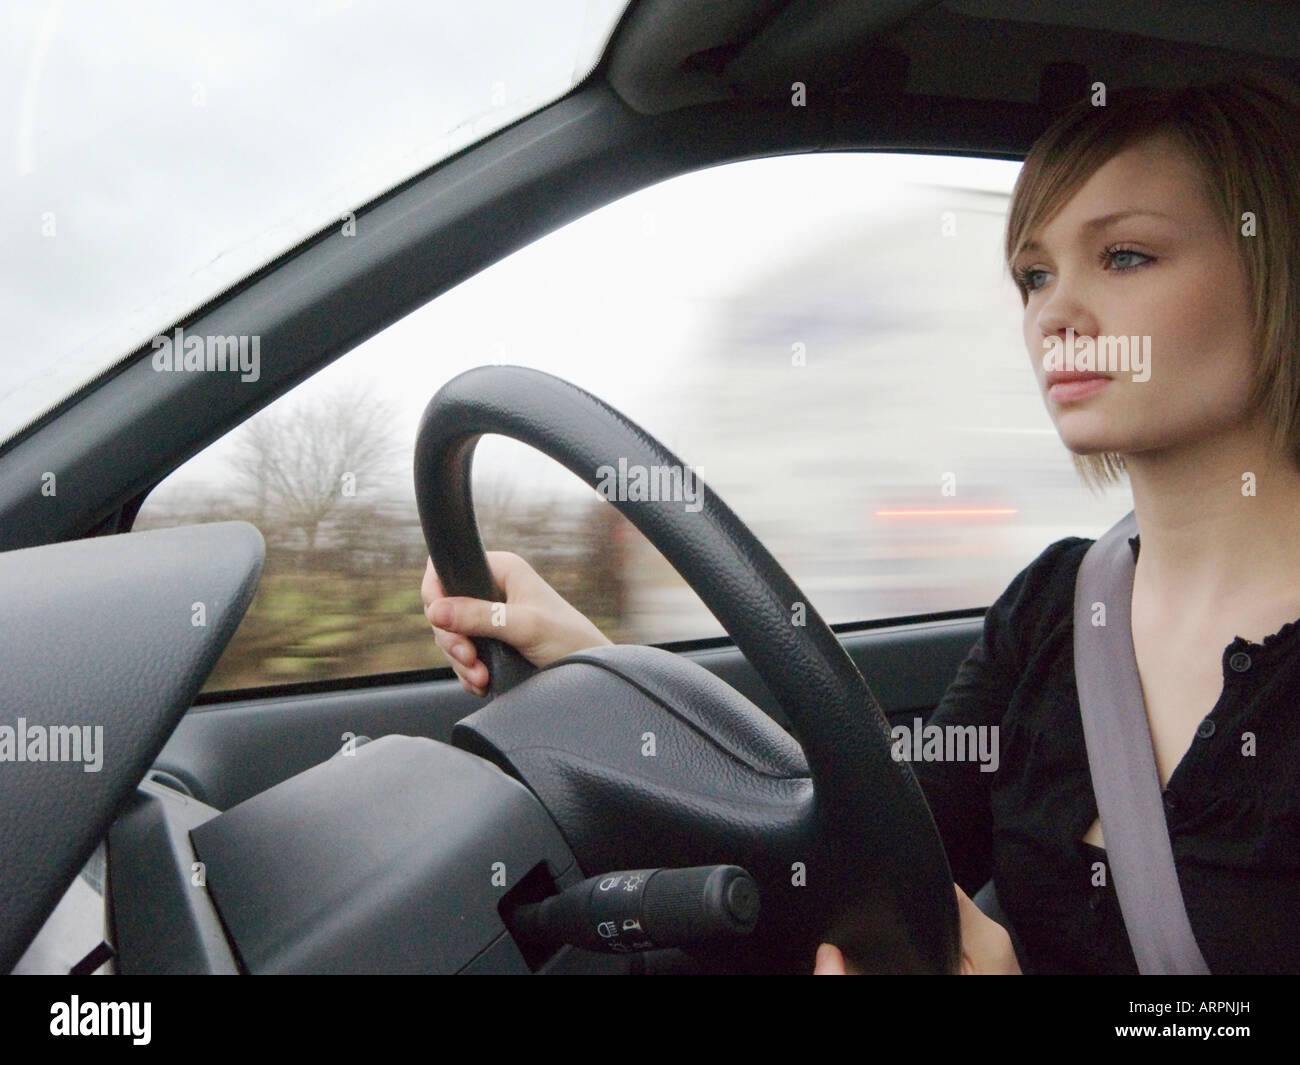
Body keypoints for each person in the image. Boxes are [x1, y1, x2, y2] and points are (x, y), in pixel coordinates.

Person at [421, 74, 1300, 974]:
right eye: (1034, 274)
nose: (1054, 314)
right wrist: (597, 668)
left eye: (1124, 257)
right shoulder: (1059, 606)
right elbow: (870, 844)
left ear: (1275, 273)